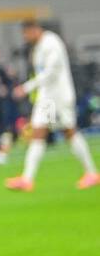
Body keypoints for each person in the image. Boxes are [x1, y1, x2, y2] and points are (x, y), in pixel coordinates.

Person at [6, 19, 100, 191]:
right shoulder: (38, 47)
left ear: (34, 29)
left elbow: (51, 72)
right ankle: (27, 179)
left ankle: (92, 173)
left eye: (26, 34)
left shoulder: (52, 43)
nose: (25, 38)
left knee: (69, 131)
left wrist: (26, 88)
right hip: (47, 98)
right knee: (38, 132)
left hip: (60, 96)